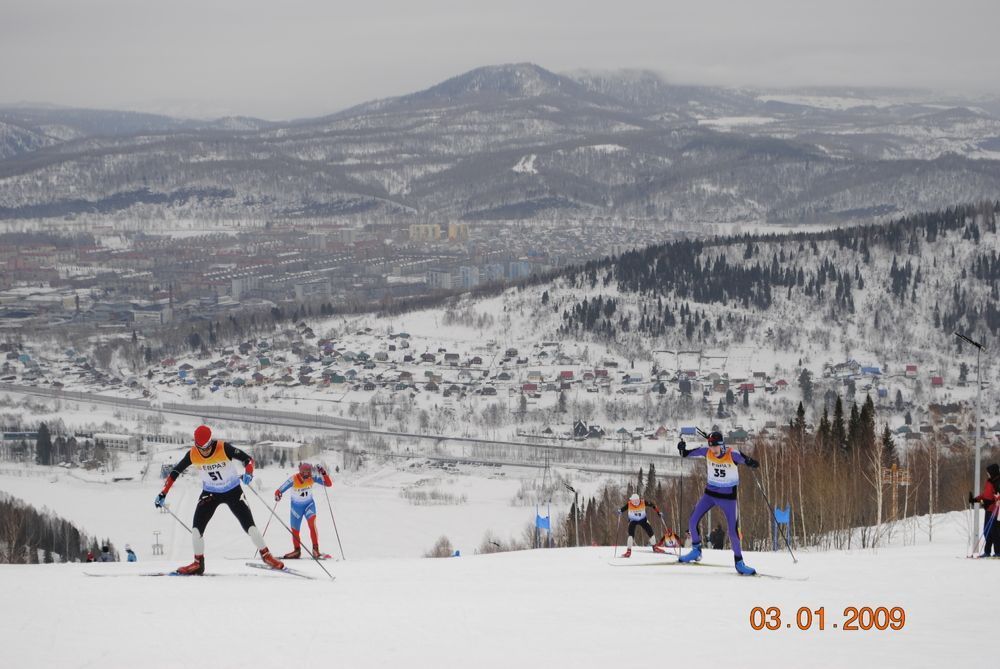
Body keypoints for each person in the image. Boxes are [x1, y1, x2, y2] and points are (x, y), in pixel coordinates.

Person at [155, 424, 284, 575]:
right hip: (210, 493)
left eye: (208, 447)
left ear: (211, 442)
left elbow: (247, 460)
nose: (206, 451)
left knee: (250, 526)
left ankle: (267, 556)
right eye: (202, 448)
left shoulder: (223, 447)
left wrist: (249, 472)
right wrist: (163, 492)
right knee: (196, 530)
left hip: (232, 491)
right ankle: (198, 564)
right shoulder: (193, 454)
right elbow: (175, 471)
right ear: (196, 446)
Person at [677, 431, 760, 575]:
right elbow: (686, 454)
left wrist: (751, 462)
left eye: (715, 447)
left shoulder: (732, 454)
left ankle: (739, 563)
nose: (713, 450)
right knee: (692, 521)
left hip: (728, 499)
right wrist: (682, 448)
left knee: (733, 532)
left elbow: (746, 460)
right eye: (711, 447)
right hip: (710, 495)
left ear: (721, 445)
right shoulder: (707, 451)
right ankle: (696, 551)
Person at [274, 462, 333, 559]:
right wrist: (278, 495)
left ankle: (315, 550)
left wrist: (323, 473)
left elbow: (328, 484)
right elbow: (279, 490)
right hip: (296, 508)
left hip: (309, 505)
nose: (306, 474)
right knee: (295, 529)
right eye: (304, 472)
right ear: (300, 472)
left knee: (312, 524)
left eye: (308, 472)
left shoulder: (312, 477)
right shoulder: (293, 479)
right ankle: (297, 551)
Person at [616, 493, 666, 558]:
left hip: (643, 520)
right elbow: (622, 509)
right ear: (631, 500)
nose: (635, 502)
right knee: (631, 535)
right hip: (632, 521)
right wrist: (620, 511)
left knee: (650, 531)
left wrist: (658, 512)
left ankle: (655, 547)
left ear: (639, 500)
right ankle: (628, 551)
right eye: (633, 501)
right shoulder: (629, 504)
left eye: (636, 501)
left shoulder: (643, 502)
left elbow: (653, 505)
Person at [970, 463, 1000, 557]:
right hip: (988, 510)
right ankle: (987, 552)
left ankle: (998, 552)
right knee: (987, 531)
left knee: (995, 531)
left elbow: (995, 497)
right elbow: (985, 495)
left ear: (993, 472)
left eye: (989, 473)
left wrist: (992, 501)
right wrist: (975, 499)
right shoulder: (989, 482)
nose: (988, 474)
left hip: (996, 510)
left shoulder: (998, 482)